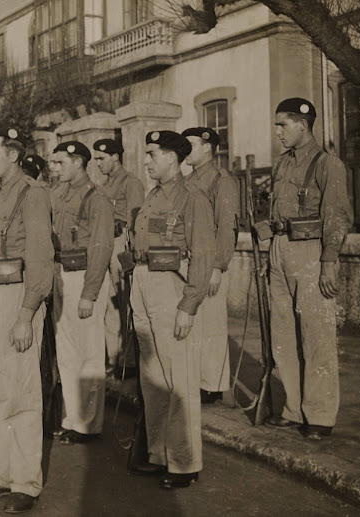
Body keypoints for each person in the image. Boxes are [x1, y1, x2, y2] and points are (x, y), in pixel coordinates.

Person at [0, 128, 54, 513]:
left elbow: (40, 257)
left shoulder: (31, 194)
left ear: (14, 154)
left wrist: (26, 314)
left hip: (16, 295)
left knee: (21, 388)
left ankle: (25, 481)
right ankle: (3, 473)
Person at [128, 130, 215, 489]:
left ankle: (184, 462)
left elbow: (204, 254)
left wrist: (189, 305)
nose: (147, 161)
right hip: (144, 282)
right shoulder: (152, 197)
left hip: (170, 287)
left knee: (178, 377)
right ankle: (159, 453)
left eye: (152, 154)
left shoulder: (191, 198)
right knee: (152, 378)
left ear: (172, 158)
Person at [264, 98, 353, 440]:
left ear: (303, 124)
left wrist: (329, 262)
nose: (277, 133)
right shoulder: (283, 164)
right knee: (283, 333)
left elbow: (337, 215)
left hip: (310, 252)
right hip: (280, 250)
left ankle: (319, 415)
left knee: (316, 335)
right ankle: (293, 407)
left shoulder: (327, 163)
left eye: (282, 125)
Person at [48, 141, 114, 444]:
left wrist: (90, 292)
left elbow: (101, 248)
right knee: (67, 354)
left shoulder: (96, 197)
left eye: (61, 162)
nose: (56, 168)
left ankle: (88, 423)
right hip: (62, 275)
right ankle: (71, 418)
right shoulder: (57, 194)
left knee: (88, 354)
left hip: (86, 277)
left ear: (79, 162)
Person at [182, 127, 240, 404]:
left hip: (212, 263)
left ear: (207, 147)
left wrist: (218, 266)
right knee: (196, 322)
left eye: (190, 145)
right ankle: (200, 378)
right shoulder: (188, 180)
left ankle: (213, 384)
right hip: (191, 261)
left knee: (213, 325)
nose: (185, 150)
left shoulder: (221, 181)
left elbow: (227, 226)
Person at [92, 138, 145, 379]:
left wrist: (133, 253)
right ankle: (113, 357)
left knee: (127, 302)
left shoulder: (130, 182)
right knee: (110, 303)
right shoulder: (103, 185)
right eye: (96, 159)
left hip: (122, 243)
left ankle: (130, 361)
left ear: (116, 157)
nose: (98, 163)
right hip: (106, 244)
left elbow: (136, 221)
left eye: (102, 158)